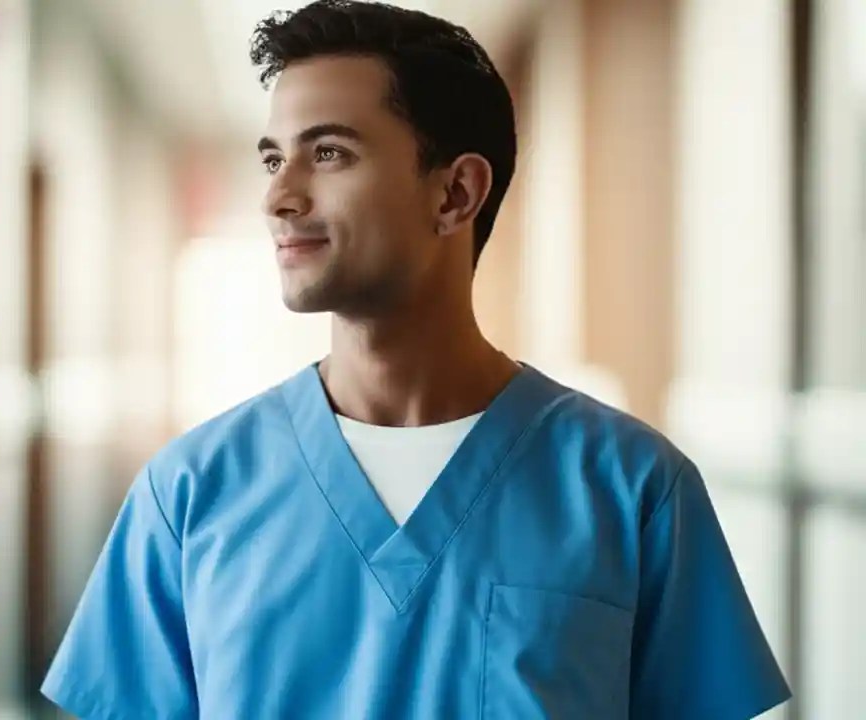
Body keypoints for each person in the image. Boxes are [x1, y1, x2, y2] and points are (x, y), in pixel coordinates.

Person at [41, 1, 791, 717]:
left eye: (328, 152)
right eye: (274, 157)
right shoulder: (191, 495)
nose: (278, 195)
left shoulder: (629, 490)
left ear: (456, 193)